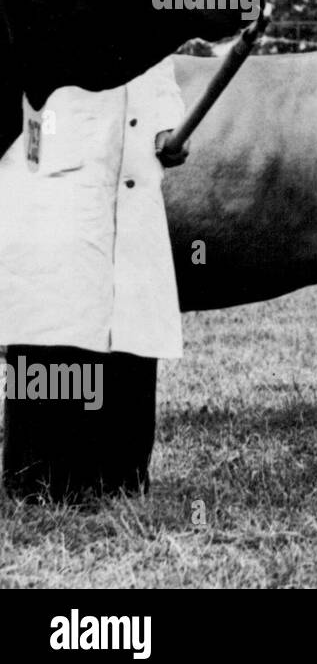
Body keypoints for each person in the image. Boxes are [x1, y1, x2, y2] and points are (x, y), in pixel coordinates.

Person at [1, 59, 188, 502]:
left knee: (128, 331)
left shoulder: (140, 4)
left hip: (131, 182)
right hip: (57, 177)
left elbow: (159, 76)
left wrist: (166, 127)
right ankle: (43, 477)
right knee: (54, 325)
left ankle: (118, 474)